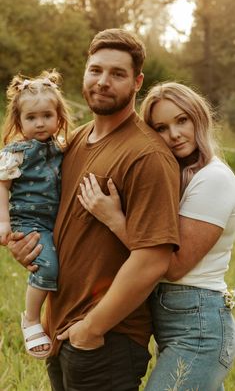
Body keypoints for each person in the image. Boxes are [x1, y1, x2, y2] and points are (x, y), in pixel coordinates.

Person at [7, 29, 180, 391]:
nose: (103, 81)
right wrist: (28, 247)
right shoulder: (71, 142)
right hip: (61, 330)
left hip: (106, 339)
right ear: (84, 72)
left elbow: (153, 258)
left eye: (117, 74)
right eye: (96, 70)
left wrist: (92, 329)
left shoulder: (146, 154)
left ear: (137, 82)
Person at [78, 82, 235, 391]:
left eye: (182, 120)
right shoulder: (177, 176)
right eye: (161, 128)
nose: (174, 134)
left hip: (199, 328)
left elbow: (174, 265)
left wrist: (114, 219)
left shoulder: (214, 178)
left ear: (198, 119)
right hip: (178, 324)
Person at [0, 70, 72, 359]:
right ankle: (31, 317)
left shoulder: (60, 148)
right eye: (31, 118)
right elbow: (2, 186)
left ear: (59, 116)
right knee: (47, 267)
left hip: (54, 219)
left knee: (62, 267)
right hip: (28, 220)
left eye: (46, 115)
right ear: (19, 121)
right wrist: (3, 221)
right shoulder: (15, 152)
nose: (40, 123)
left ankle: (56, 318)